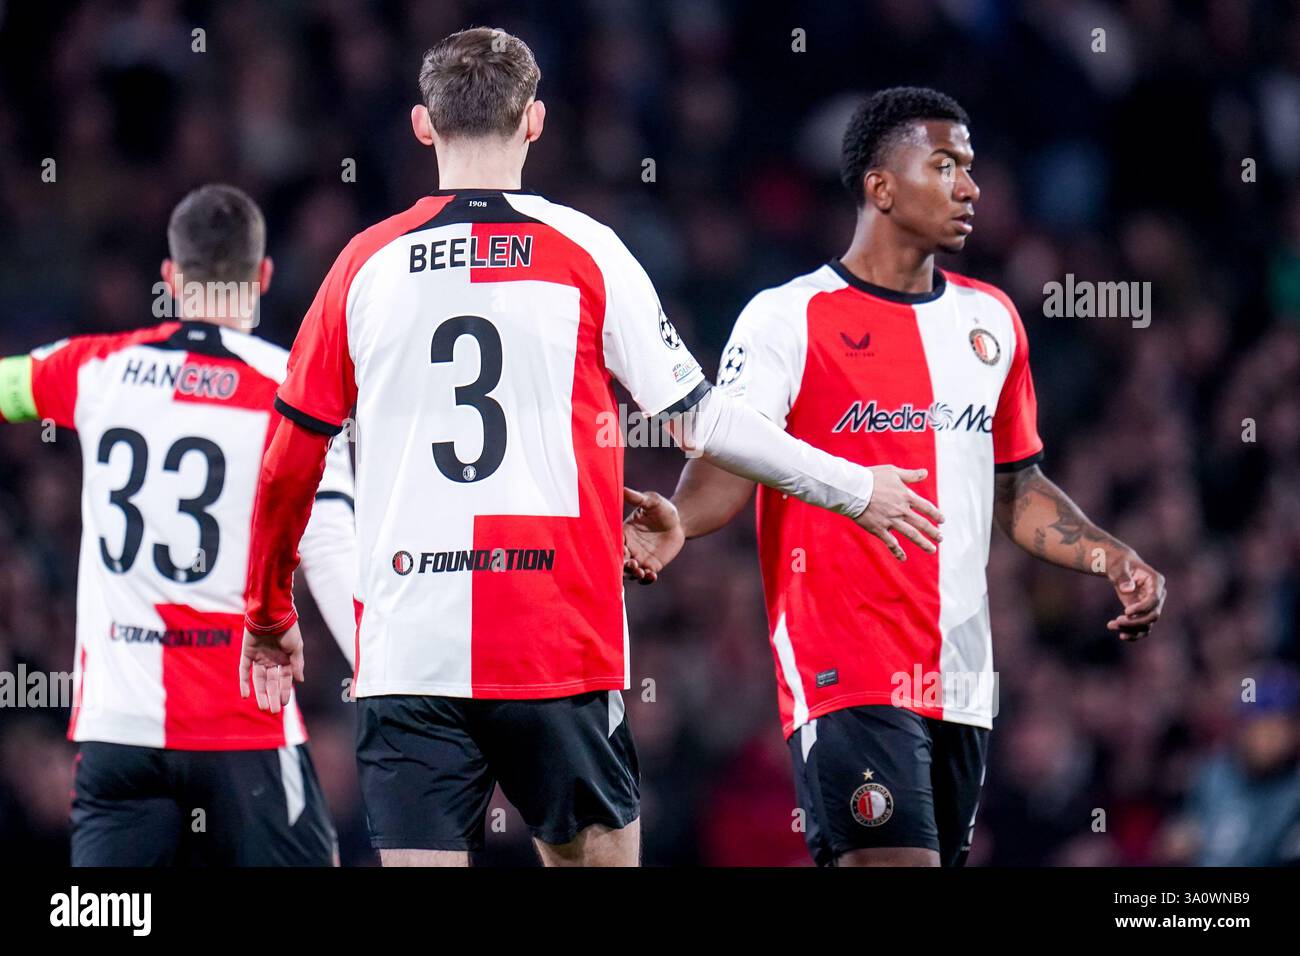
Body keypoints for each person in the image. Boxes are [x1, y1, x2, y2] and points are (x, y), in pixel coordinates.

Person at [239, 28, 941, 868]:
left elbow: (289, 463)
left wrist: (268, 614)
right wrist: (854, 487)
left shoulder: (362, 265)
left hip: (410, 652)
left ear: (423, 126)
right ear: (534, 122)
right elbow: (705, 422)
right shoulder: (588, 250)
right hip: (555, 642)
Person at [624, 87, 1168, 867]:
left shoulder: (993, 321)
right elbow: (727, 458)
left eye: (971, 169)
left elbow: (1016, 485)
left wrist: (1109, 555)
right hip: (845, 664)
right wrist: (677, 523)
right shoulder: (787, 317)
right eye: (944, 166)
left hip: (961, 672)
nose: (971, 187)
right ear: (879, 187)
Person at [0, 184, 358, 865]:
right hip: (241, 729)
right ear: (263, 276)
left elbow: (6, 386)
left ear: (170, 276)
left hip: (118, 731)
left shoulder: (98, 368)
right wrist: (388, 674)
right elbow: (332, 548)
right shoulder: (294, 392)